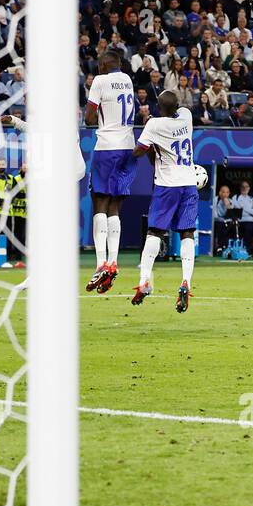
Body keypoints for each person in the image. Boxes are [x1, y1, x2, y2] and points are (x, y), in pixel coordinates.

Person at [129, 90, 197, 313]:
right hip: (189, 182)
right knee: (187, 233)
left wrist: (125, 153)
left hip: (167, 184)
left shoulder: (155, 125)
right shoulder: (186, 116)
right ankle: (186, 280)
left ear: (159, 107)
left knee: (154, 232)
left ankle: (145, 279)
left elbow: (141, 152)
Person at [84, 50, 137, 294]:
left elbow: (90, 117)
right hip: (128, 147)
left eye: (98, 64)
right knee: (115, 205)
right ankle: (113, 261)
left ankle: (99, 264)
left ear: (105, 64)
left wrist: (91, 116)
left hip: (107, 147)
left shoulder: (100, 81)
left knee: (99, 203)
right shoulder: (127, 79)